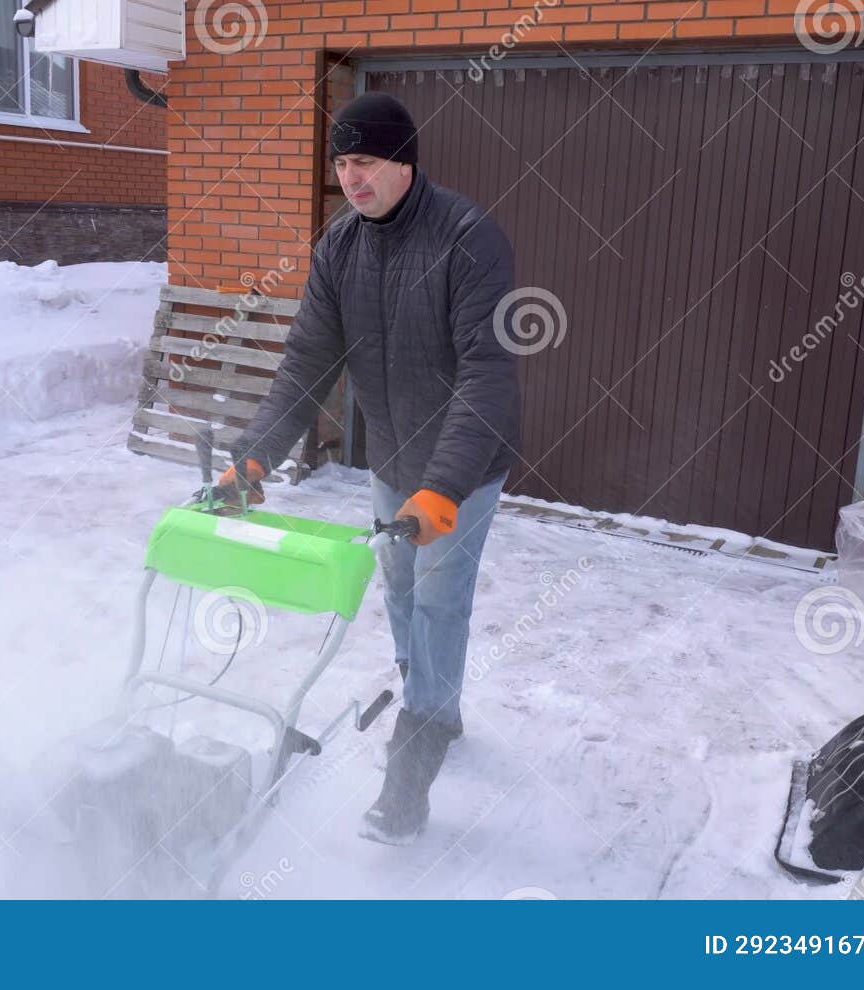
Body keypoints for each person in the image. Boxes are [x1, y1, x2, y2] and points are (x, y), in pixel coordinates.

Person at [221, 92, 520, 844]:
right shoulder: (339, 246)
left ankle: (411, 765)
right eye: (343, 163)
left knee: (439, 601)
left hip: (463, 466)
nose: (353, 179)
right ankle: (433, 700)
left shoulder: (467, 237)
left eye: (367, 161)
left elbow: (488, 375)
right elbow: (306, 364)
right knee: (397, 587)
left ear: (404, 160)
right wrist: (255, 454)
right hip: (391, 456)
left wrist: (444, 488)